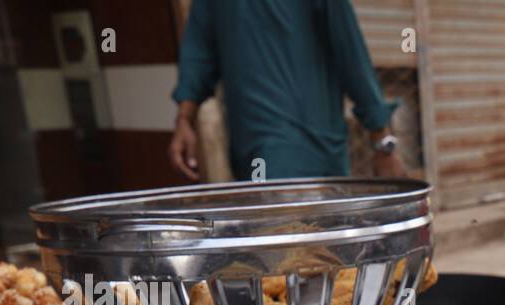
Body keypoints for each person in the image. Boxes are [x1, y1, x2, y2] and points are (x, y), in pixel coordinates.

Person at [169, 0, 407, 182]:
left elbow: (198, 57)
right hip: (304, 156)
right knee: (301, 239)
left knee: (273, 235)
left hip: (263, 156)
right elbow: (352, 55)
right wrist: (383, 143)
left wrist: (184, 119)